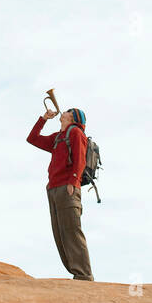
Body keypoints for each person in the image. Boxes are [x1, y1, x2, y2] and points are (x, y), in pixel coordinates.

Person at [26, 106, 93, 281]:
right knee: (60, 234)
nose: (63, 112)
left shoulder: (76, 133)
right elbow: (32, 139)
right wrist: (44, 118)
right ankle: (76, 273)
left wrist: (73, 181)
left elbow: (80, 159)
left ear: (73, 118)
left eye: (68, 111)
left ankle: (84, 275)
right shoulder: (58, 137)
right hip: (54, 188)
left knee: (72, 231)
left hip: (67, 188)